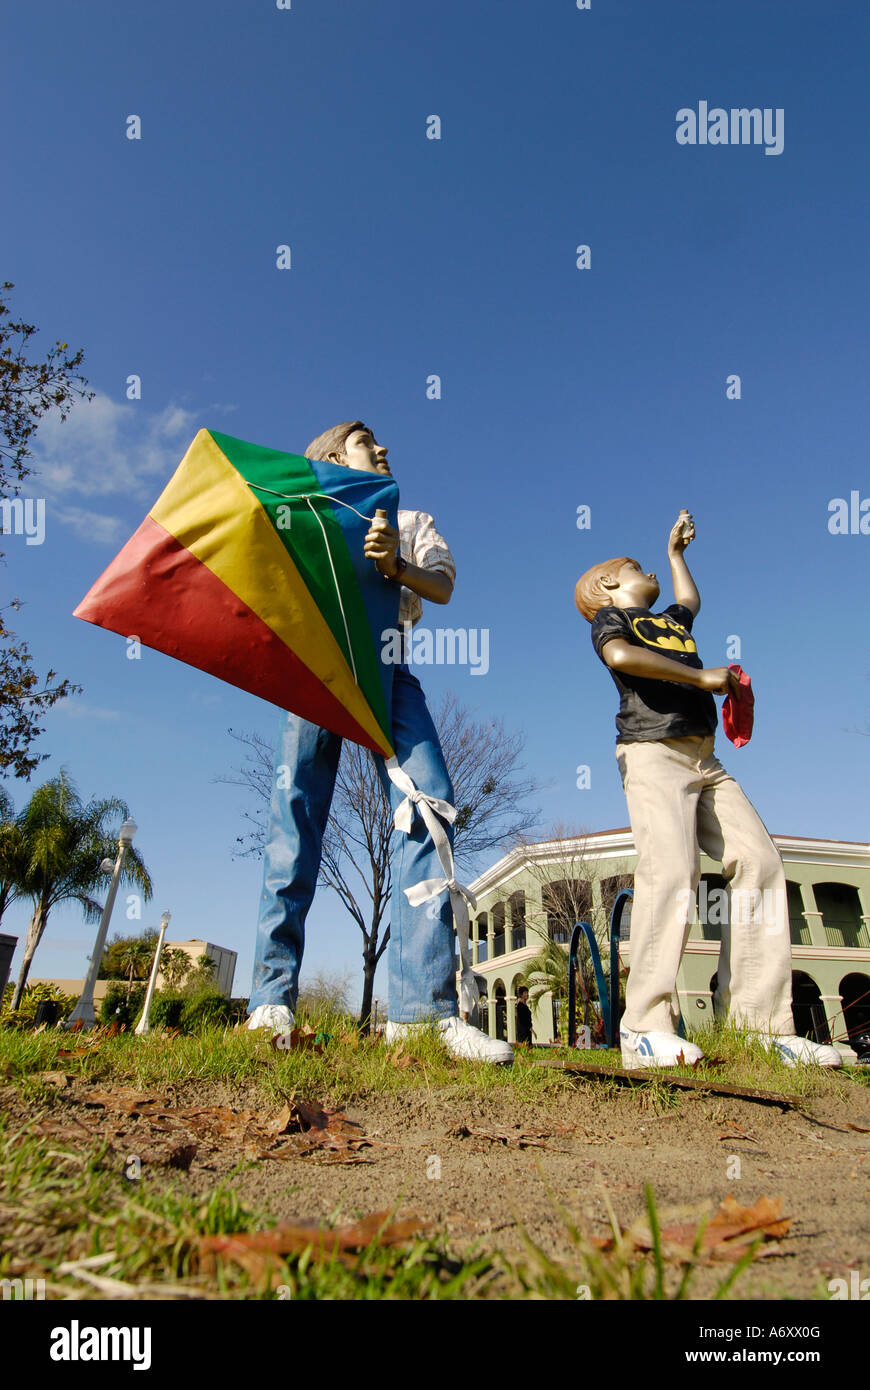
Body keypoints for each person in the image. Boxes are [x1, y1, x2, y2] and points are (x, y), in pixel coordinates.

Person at [247, 421, 512, 1064]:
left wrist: (396, 565)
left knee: (431, 804)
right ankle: (270, 1001)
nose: (386, 448)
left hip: (388, 669)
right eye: (370, 441)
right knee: (298, 813)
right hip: (316, 666)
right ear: (337, 456)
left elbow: (444, 588)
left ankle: (421, 1013)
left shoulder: (412, 518)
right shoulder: (304, 514)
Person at [574, 511, 841, 1071]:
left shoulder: (668, 620)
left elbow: (689, 601)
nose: (648, 573)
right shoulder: (614, 622)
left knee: (761, 862)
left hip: (706, 759)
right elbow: (620, 658)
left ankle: (760, 1024)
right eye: (638, 568)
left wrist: (675, 555)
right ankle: (645, 1027)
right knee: (672, 872)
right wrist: (699, 678)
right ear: (609, 588)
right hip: (653, 754)